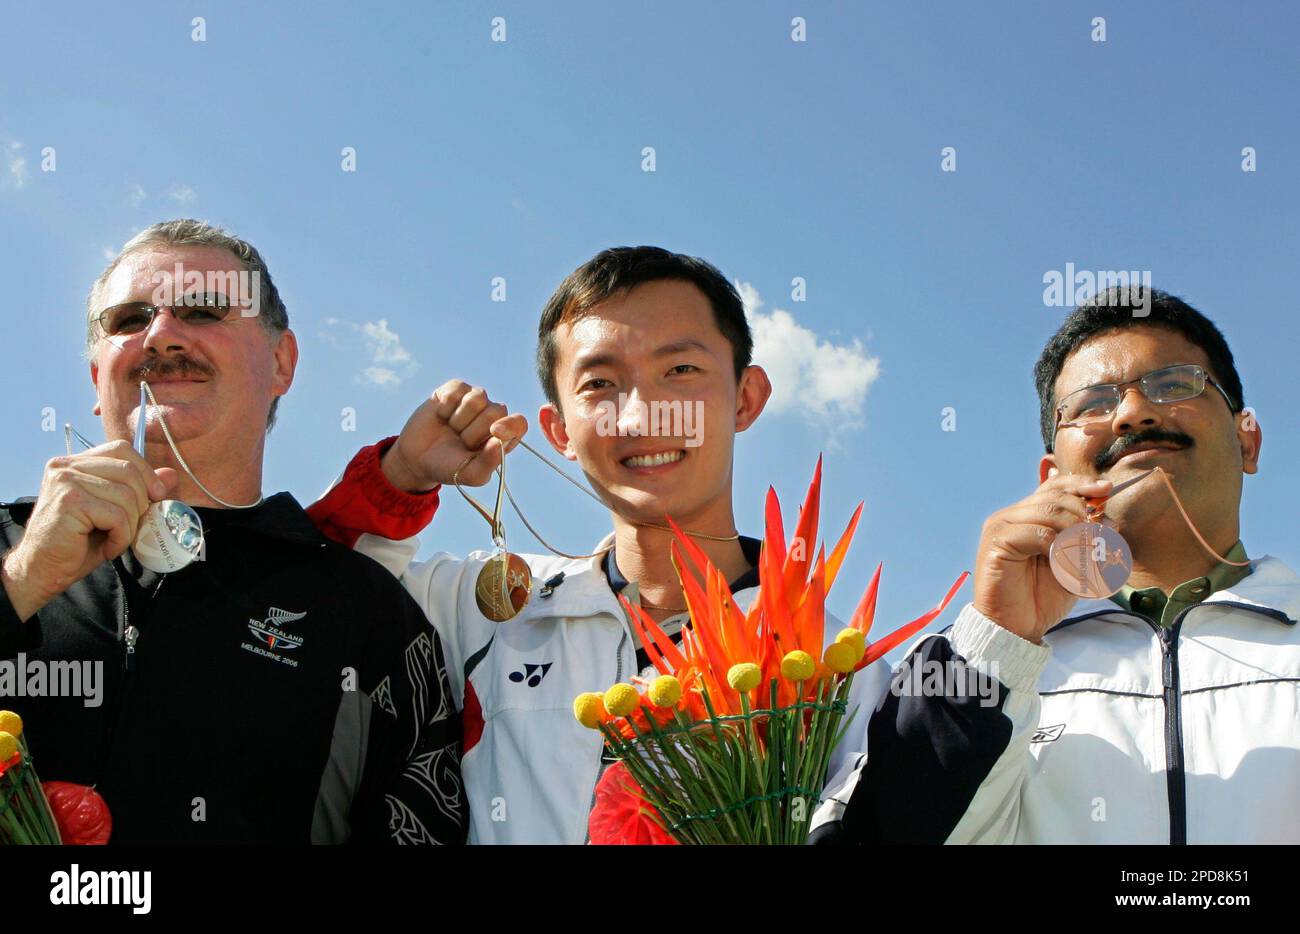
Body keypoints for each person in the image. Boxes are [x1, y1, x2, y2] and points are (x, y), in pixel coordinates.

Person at [308, 246, 891, 843]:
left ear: (746, 397)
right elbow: (304, 606)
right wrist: (401, 478)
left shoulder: (835, 667)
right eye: (601, 383)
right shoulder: (486, 607)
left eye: (681, 371)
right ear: (559, 429)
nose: (640, 416)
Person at [0, 219, 466, 844]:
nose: (161, 335)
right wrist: (20, 583)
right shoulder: (9, 547)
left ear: (281, 362)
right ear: (95, 376)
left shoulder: (366, 612)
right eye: (129, 319)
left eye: (202, 312)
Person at [810, 286, 1299, 844]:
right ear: (1051, 478)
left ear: (1248, 442)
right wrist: (994, 647)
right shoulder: (960, 667)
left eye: (1174, 384)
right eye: (1093, 404)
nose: (1133, 413)